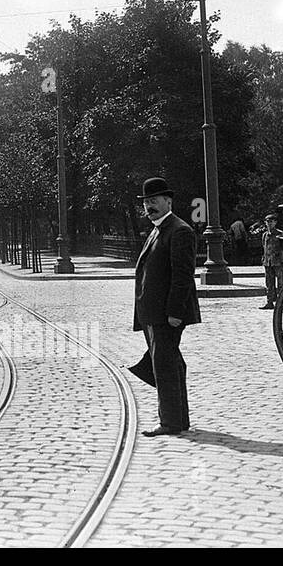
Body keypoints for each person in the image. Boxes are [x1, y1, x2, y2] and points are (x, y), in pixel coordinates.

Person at [124, 177, 201, 437]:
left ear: (169, 201)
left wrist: (175, 313)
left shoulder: (178, 230)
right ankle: (179, 419)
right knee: (171, 363)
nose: (149, 206)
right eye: (146, 202)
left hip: (166, 314)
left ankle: (169, 422)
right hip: (154, 313)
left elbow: (183, 276)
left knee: (164, 365)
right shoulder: (159, 229)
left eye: (154, 201)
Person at [260, 213, 283, 311]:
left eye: (271, 221)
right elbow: (264, 248)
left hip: (278, 262)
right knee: (269, 283)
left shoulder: (280, 234)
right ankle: (269, 302)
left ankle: (281, 302)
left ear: (275, 222)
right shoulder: (265, 235)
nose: (269, 224)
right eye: (267, 221)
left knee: (280, 283)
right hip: (268, 262)